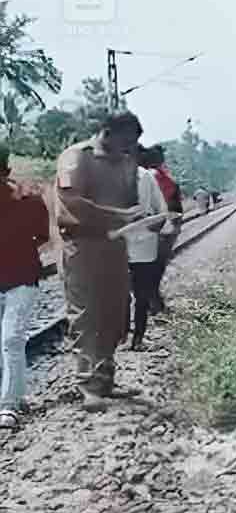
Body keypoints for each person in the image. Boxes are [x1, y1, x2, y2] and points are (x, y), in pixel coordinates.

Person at [56, 112, 146, 408]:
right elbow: (71, 202)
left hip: (115, 245)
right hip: (83, 246)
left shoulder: (125, 161)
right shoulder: (77, 157)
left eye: (132, 145)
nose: (128, 149)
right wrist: (118, 215)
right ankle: (87, 385)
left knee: (115, 312)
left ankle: (105, 380)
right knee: (86, 314)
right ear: (107, 132)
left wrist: (140, 217)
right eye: (125, 142)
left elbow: (129, 201)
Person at [0, 145, 50, 429]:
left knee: (11, 340)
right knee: (10, 341)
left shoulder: (29, 200)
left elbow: (42, 234)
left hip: (21, 279)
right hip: (22, 273)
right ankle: (11, 398)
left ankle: (9, 403)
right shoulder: (29, 200)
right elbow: (41, 236)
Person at [125, 146, 174, 351]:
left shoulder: (145, 177)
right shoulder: (104, 179)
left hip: (140, 244)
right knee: (127, 294)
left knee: (139, 294)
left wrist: (153, 224)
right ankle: (127, 335)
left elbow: (162, 212)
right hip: (120, 246)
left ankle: (136, 337)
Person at [144, 145, 182, 315]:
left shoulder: (152, 175)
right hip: (162, 229)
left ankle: (153, 302)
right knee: (155, 267)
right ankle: (154, 303)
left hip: (159, 227)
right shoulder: (158, 176)